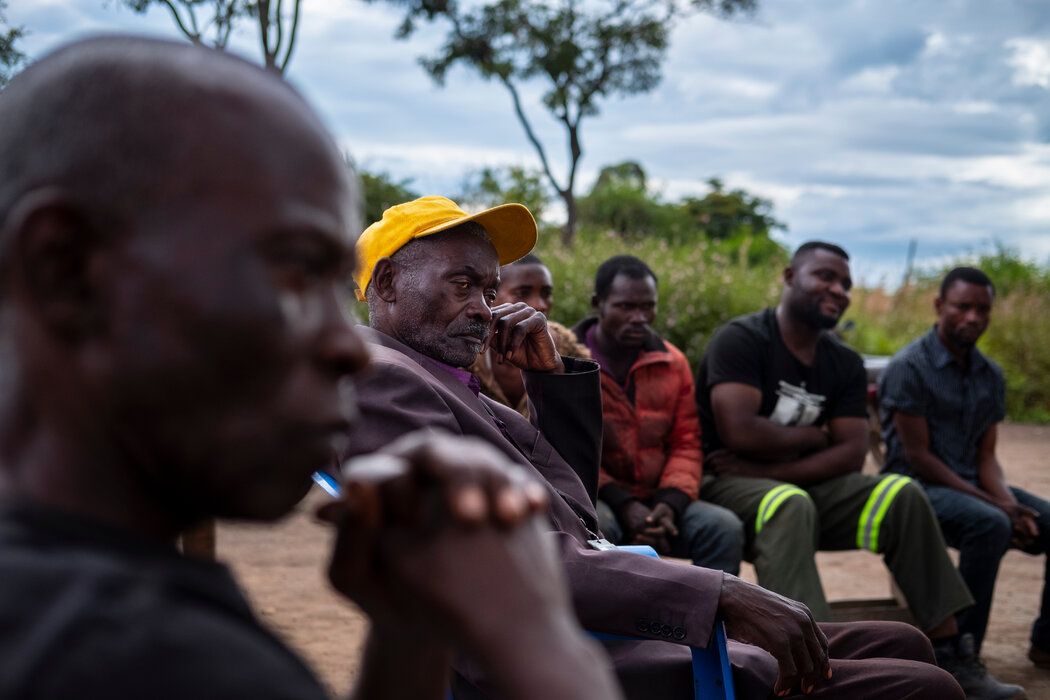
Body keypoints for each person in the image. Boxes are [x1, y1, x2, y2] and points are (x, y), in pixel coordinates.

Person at [0, 36, 623, 700]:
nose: (350, 348)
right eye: (295, 271)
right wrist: (538, 643)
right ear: (64, 271)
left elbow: (575, 511)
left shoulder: (75, 607)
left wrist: (408, 633)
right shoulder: (143, 658)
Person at [347, 197, 966, 700]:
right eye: (463, 283)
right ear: (390, 283)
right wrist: (715, 592)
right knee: (926, 686)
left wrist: (552, 380)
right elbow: (491, 562)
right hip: (550, 657)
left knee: (905, 642)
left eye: (489, 288)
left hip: (588, 619)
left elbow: (572, 509)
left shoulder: (448, 380)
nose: (486, 309)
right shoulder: (387, 379)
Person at [694, 242, 1020, 699]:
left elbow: (850, 453)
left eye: (846, 283)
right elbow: (739, 431)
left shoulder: (842, 362)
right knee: (789, 503)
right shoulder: (743, 339)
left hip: (800, 487)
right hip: (727, 485)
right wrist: (814, 437)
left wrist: (782, 458)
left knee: (901, 493)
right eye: (825, 276)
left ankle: (952, 652)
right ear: (789, 277)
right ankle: (819, 670)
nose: (839, 289)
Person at [880, 267, 1050, 679]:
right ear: (940, 306)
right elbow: (919, 458)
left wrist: (1010, 503)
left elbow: (986, 457)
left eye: (983, 309)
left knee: (1047, 520)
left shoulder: (989, 374)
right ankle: (961, 655)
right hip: (914, 490)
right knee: (989, 524)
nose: (973, 317)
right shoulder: (910, 367)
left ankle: (1046, 642)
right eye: (962, 307)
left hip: (972, 488)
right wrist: (998, 508)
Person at [571, 255, 743, 572]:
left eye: (648, 306)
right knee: (596, 526)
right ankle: (607, 621)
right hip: (601, 499)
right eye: (625, 307)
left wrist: (669, 504)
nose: (639, 317)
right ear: (599, 304)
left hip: (661, 499)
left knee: (723, 528)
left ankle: (710, 621)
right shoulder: (568, 362)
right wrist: (625, 505)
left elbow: (687, 442)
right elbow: (568, 449)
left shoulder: (672, 363)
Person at [467, 253, 590, 419]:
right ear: (490, 297)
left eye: (546, 293)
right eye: (523, 293)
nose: (540, 305)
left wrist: (554, 370)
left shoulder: (568, 351)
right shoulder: (465, 353)